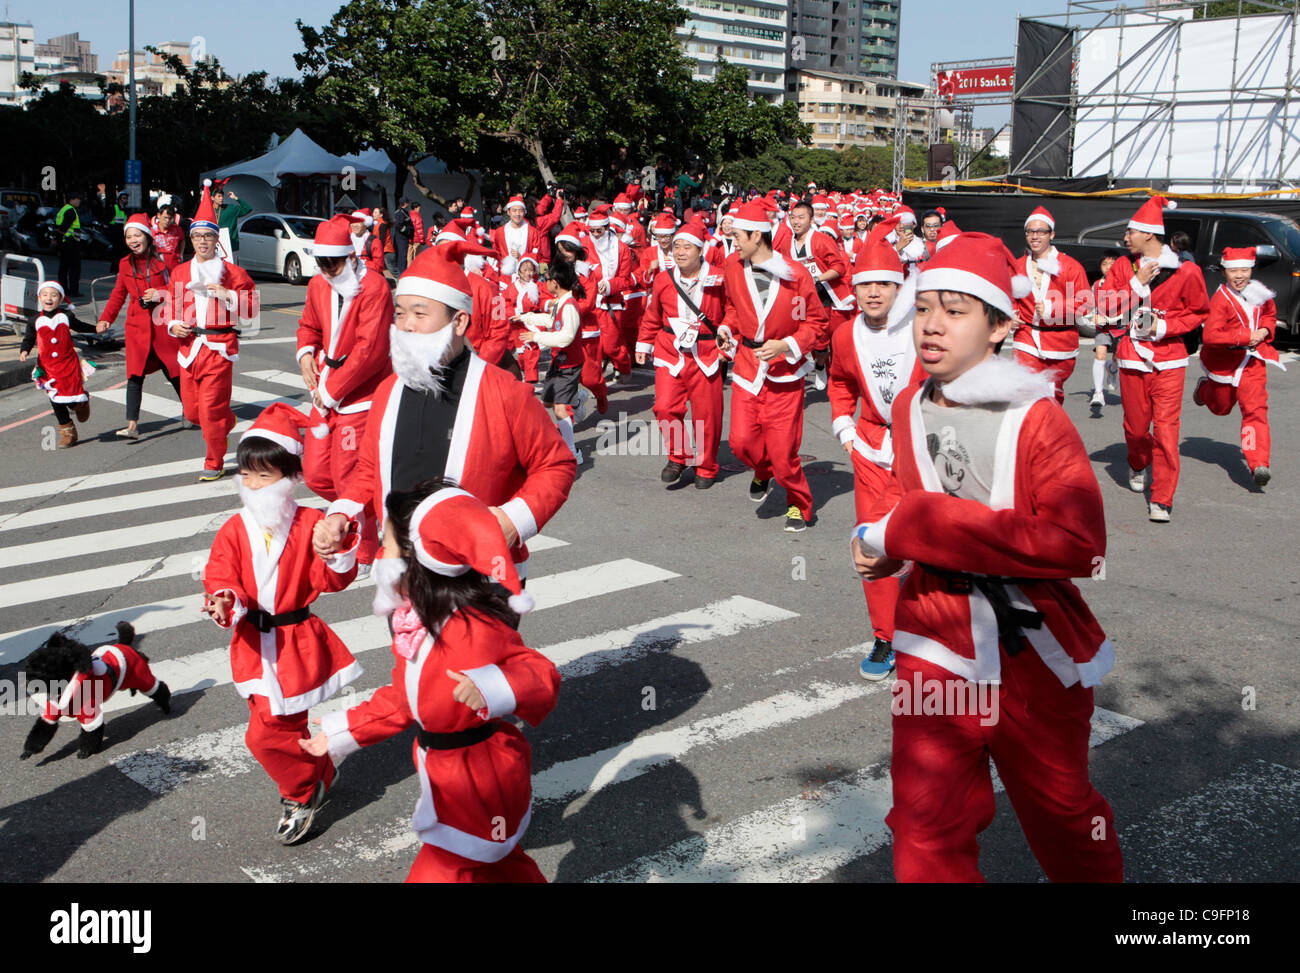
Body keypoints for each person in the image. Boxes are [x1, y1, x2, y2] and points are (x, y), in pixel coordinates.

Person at [852, 231, 1123, 884]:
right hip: (934, 642)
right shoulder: (906, 407)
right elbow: (896, 507)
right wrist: (875, 542)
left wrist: (919, 526)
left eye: (955, 309)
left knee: (1062, 816)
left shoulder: (1037, 418)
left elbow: (1079, 546)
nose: (931, 324)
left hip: (1032, 652)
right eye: (923, 308)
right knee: (924, 825)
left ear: (1000, 325)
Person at [302, 481, 561, 882]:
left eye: (386, 546)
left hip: (481, 778)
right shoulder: (418, 622)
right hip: (446, 772)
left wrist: (493, 685)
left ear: (417, 558)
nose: (379, 556)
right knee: (501, 867)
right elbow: (405, 700)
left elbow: (542, 675)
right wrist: (341, 731)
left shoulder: (476, 624)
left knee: (444, 869)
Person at [310, 245, 576, 586]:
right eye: (400, 314)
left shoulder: (504, 391)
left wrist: (514, 521)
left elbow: (556, 464)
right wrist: (342, 515)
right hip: (403, 576)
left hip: (480, 580)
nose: (405, 326)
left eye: (420, 315)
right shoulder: (387, 392)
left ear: (459, 321)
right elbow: (369, 472)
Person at [203, 404, 362, 845]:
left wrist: (337, 549)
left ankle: (301, 791)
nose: (253, 485)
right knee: (274, 725)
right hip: (251, 642)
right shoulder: (235, 528)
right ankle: (317, 769)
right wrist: (222, 601)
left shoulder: (312, 522)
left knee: (265, 735)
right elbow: (220, 573)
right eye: (247, 475)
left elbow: (334, 579)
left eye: (264, 476)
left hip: (295, 643)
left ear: (290, 476)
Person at [828, 224, 923, 681]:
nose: (873, 293)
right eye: (865, 284)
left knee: (926, 543)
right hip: (869, 447)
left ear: (899, 286)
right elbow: (840, 382)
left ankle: (929, 633)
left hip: (922, 450)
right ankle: (885, 636)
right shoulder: (845, 335)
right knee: (873, 542)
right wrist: (845, 428)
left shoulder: (924, 327)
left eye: (883, 283)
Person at [716, 197, 831, 532]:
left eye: (738, 236)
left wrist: (787, 344)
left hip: (785, 373)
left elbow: (816, 323)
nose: (732, 241)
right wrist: (726, 329)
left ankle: (799, 503)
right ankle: (763, 471)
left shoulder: (795, 275)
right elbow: (733, 309)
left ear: (756, 237)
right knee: (740, 443)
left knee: (784, 453)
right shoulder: (732, 267)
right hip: (748, 369)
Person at [1097, 197, 1209, 523]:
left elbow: (1199, 311)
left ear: (1149, 234)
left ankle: (1162, 497)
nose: (1126, 237)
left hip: (1170, 359)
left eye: (1130, 231)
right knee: (1135, 428)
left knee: (1167, 431)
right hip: (1132, 357)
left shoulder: (1186, 271)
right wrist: (1136, 284)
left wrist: (1165, 327)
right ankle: (1137, 461)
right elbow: (1108, 309)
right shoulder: (1122, 266)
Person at [296, 215, 394, 568]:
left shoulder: (376, 288)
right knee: (316, 472)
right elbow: (308, 325)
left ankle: (364, 548)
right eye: (321, 263)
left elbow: (370, 352)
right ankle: (357, 516)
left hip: (361, 396)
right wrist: (305, 353)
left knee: (349, 475)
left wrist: (331, 392)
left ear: (351, 257)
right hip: (325, 389)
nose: (327, 270)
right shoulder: (317, 286)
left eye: (333, 263)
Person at [164, 180, 259, 481]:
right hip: (189, 348)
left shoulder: (233, 273)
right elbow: (169, 307)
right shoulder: (180, 272)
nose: (203, 241)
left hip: (219, 347)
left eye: (208, 236)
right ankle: (224, 421)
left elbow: (251, 309)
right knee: (193, 413)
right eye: (198, 236)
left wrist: (226, 294)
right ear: (191, 240)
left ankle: (213, 461)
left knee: (209, 411)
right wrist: (172, 325)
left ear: (216, 240)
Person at [635, 217, 727, 488]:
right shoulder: (664, 279)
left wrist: (728, 345)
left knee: (707, 414)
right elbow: (653, 315)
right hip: (670, 350)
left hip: (707, 352)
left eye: (688, 247)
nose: (681, 252)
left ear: (700, 250)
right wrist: (644, 343)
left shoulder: (719, 278)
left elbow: (734, 311)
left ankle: (707, 467)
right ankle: (679, 456)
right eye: (677, 247)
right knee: (664, 406)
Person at [1193, 246, 1284, 487]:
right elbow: (1211, 336)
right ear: (1224, 272)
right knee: (1221, 408)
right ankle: (1204, 390)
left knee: (1255, 411)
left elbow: (1269, 317)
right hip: (1224, 363)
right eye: (1234, 270)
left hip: (1253, 363)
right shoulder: (1220, 299)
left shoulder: (1260, 292)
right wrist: (1246, 336)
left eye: (1244, 269)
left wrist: (1264, 331)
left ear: (1251, 270)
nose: (1239, 275)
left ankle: (1258, 463)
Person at [97, 213, 184, 440]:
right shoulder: (124, 263)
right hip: (136, 328)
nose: (133, 240)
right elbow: (118, 294)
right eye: (128, 236)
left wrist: (160, 292)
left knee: (173, 370)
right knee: (134, 375)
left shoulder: (163, 261)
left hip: (161, 323)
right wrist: (106, 318)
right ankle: (132, 425)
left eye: (137, 235)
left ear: (147, 236)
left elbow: (179, 289)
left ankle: (191, 410)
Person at [1011, 206, 1091, 406]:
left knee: (1050, 395)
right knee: (1027, 392)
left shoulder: (1071, 267)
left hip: (1060, 342)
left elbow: (1085, 304)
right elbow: (1008, 296)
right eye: (1030, 231)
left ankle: (1050, 430)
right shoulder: (1018, 265)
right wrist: (1008, 314)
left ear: (1051, 234)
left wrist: (1051, 308)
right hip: (1026, 337)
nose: (1034, 236)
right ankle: (1028, 434)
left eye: (1040, 232)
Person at [512, 254, 588, 463]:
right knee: (547, 402)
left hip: (569, 364)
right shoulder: (561, 303)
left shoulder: (570, 306)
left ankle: (573, 452)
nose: (544, 284)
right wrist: (526, 317)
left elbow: (566, 336)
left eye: (547, 280)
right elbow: (551, 321)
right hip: (559, 361)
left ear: (555, 283)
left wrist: (536, 336)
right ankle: (578, 398)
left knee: (559, 408)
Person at [775, 200, 855, 393]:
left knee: (820, 340)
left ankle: (820, 365)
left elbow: (838, 268)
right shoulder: (786, 242)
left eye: (801, 217)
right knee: (797, 331)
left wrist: (816, 278)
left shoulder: (822, 240)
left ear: (811, 220)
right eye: (793, 217)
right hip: (798, 297)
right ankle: (796, 377)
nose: (796, 221)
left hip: (821, 294)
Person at [18, 281, 103, 448]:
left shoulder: (66, 316)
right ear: (39, 298)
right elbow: (28, 338)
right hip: (48, 367)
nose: (49, 298)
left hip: (68, 365)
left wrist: (96, 329)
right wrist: (24, 350)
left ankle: (80, 404)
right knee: (55, 399)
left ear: (61, 299)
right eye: (45, 295)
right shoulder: (34, 319)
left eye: (54, 295)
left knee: (70, 397)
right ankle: (68, 433)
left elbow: (79, 327)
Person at [1088, 250, 1124, 415]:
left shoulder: (1126, 284)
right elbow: (1091, 305)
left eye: (1112, 264)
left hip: (1121, 327)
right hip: (1103, 327)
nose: (1108, 268)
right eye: (1104, 265)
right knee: (1100, 354)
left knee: (1118, 357)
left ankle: (1113, 369)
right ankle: (1098, 393)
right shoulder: (1097, 285)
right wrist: (1093, 316)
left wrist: (1115, 319)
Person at [504, 256, 545, 385]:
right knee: (522, 356)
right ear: (519, 271)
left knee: (531, 352)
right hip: (517, 325)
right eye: (525, 270)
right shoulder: (511, 287)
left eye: (531, 270)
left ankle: (530, 380)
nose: (529, 273)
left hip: (532, 323)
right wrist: (512, 314)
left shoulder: (538, 286)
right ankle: (524, 369)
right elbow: (505, 303)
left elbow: (544, 300)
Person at [212, 182, 252, 265]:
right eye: (219, 196)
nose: (221, 198)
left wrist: (236, 198)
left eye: (222, 196)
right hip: (214, 247)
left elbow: (248, 208)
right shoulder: (209, 210)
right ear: (212, 198)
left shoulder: (230, 209)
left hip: (231, 246)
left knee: (232, 272)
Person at [55, 190, 84, 298]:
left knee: (63, 268)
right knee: (74, 269)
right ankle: (73, 291)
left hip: (63, 242)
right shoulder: (71, 211)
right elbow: (64, 227)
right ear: (71, 200)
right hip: (70, 243)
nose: (79, 201)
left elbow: (58, 227)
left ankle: (63, 290)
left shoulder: (63, 210)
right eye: (77, 199)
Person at [348, 208, 386, 274]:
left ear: (366, 223)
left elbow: (379, 267)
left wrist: (359, 262)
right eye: (352, 222)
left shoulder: (374, 242)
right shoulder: (347, 241)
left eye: (358, 222)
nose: (354, 225)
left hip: (368, 280)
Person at [152, 202, 186, 271]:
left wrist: (181, 254)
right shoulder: (152, 230)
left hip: (174, 264)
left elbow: (182, 240)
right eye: (165, 218)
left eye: (170, 218)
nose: (167, 221)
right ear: (159, 215)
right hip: (158, 264)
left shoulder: (177, 229)